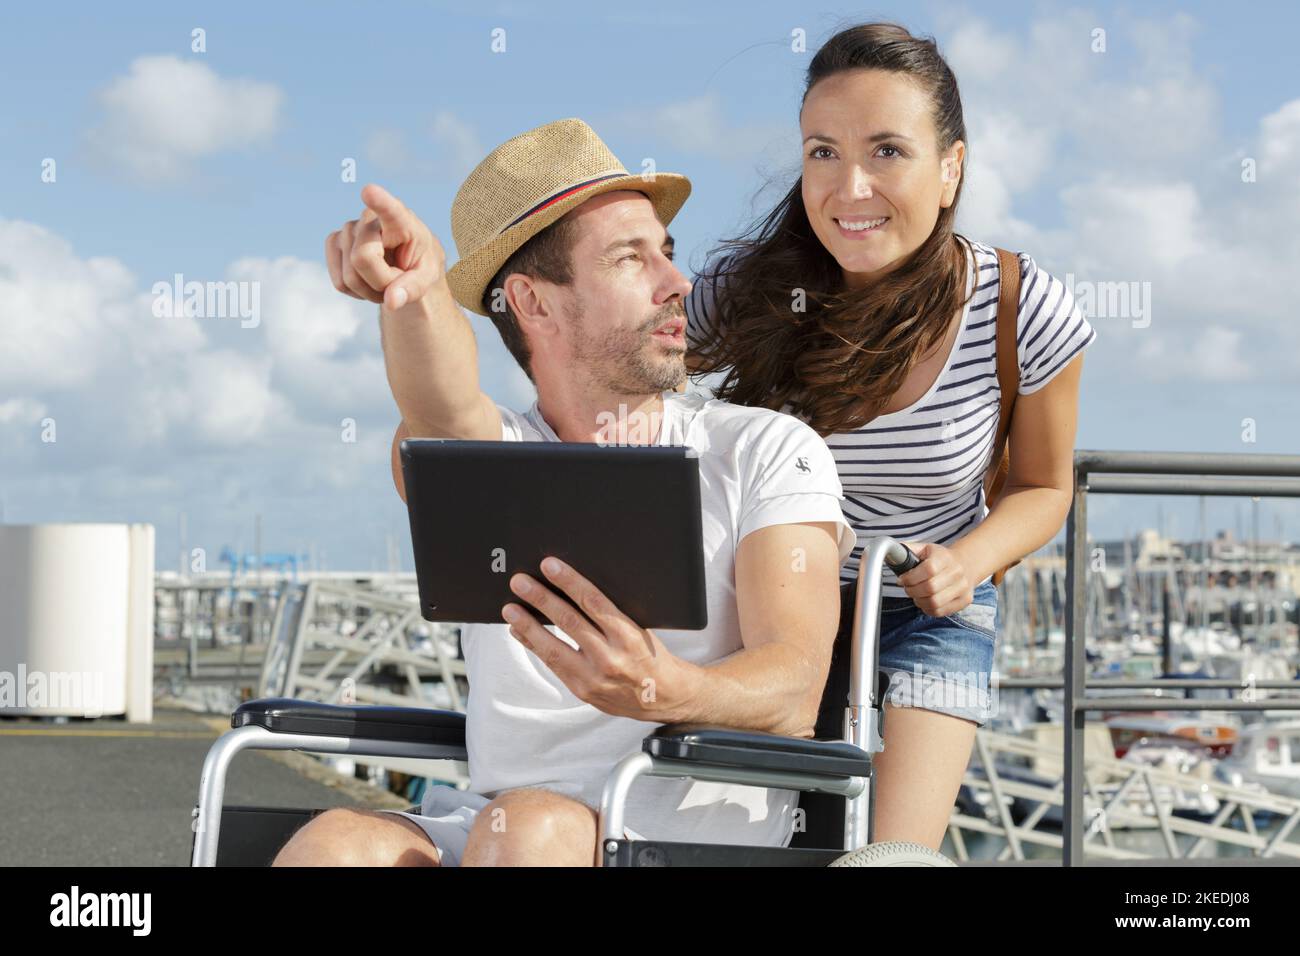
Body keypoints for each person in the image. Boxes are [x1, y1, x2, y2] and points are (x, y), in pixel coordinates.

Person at [272, 118, 856, 867]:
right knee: (337, 847)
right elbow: (442, 403)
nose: (677, 283)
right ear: (534, 303)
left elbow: (796, 684)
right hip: (500, 830)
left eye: (668, 255)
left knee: (530, 830)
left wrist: (664, 689)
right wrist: (417, 295)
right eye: (630, 258)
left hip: (685, 842)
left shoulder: (764, 450)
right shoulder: (492, 464)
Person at [684, 22, 1097, 851]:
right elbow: (613, 380)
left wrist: (968, 562)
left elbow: (1045, 488)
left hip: (923, 606)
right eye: (823, 153)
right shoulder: (744, 291)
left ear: (951, 169)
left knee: (892, 857)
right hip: (767, 601)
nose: (850, 187)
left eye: (887, 152)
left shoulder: (1020, 308)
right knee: (754, 851)